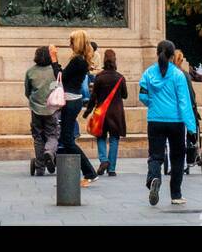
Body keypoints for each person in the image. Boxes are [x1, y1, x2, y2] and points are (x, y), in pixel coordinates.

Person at [139, 39, 197, 207]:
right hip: (176, 121)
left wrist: (152, 103)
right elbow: (184, 103)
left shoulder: (148, 73)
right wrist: (191, 128)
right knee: (178, 157)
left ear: (157, 54)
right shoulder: (178, 75)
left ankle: (154, 178)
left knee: (155, 155)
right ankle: (176, 194)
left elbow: (142, 96)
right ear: (172, 56)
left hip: (155, 120)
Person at [49, 31, 98, 185]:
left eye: (71, 41)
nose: (69, 43)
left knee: (67, 140)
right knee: (66, 138)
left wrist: (54, 59)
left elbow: (61, 76)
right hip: (73, 100)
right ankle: (75, 173)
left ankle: (89, 172)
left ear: (76, 43)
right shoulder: (80, 60)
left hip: (71, 101)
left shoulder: (78, 60)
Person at [83, 48, 127, 177]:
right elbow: (125, 95)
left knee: (101, 137)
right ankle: (111, 168)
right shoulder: (120, 78)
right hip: (116, 113)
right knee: (114, 139)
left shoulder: (99, 77)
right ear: (115, 61)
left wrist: (87, 111)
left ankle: (103, 160)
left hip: (102, 113)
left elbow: (94, 97)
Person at [24, 46, 61, 176]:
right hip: (52, 108)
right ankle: (49, 152)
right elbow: (58, 87)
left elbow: (27, 92)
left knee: (38, 137)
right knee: (53, 134)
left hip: (36, 109)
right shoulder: (54, 72)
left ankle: (40, 167)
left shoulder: (30, 72)